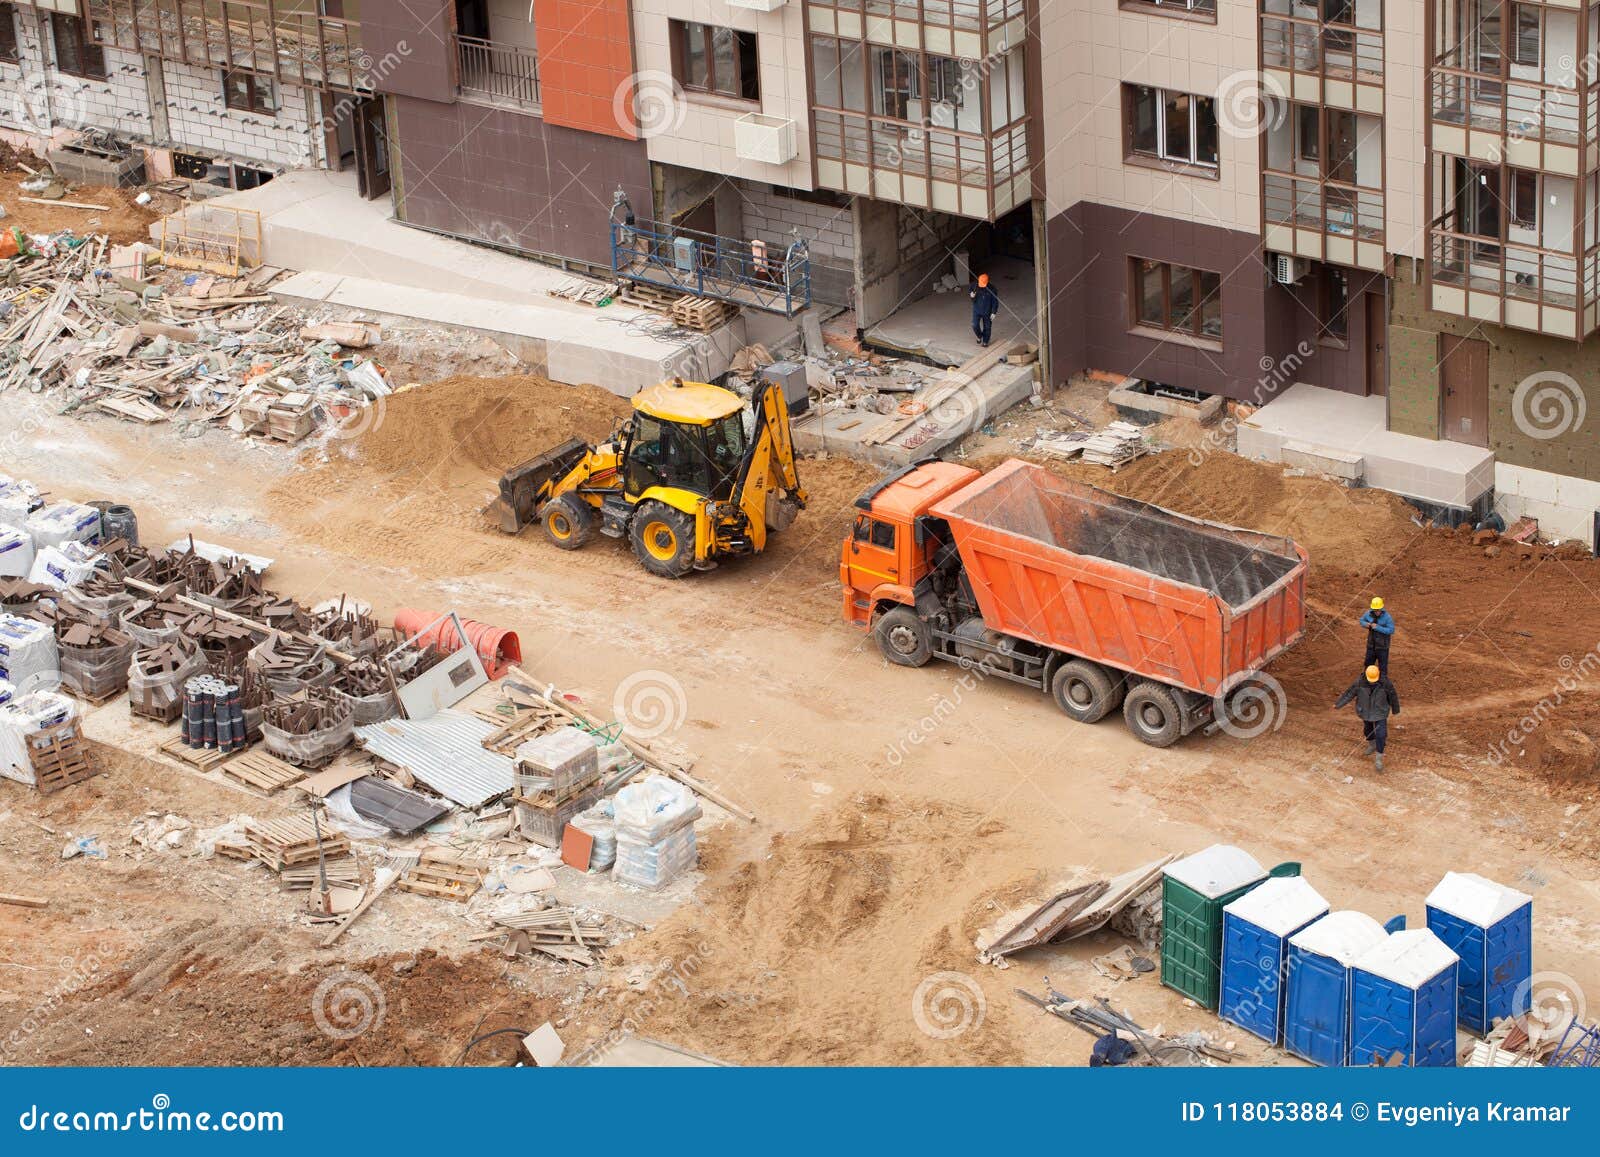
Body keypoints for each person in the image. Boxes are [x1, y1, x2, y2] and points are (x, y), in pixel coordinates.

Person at [1334, 664, 1401, 771]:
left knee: (1381, 734)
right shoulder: (1360, 682)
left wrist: (1395, 709)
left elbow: (1392, 695)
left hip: (1380, 712)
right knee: (1367, 730)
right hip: (1365, 712)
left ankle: (1379, 757)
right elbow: (1349, 693)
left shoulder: (1385, 683)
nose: (1372, 682)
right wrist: (1338, 704)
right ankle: (1372, 744)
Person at [1359, 596, 1395, 677]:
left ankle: (1383, 681)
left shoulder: (1387, 617)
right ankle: (1366, 678)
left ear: (1382, 608)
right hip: (1371, 644)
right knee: (1368, 663)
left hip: (1382, 646)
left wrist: (1378, 627)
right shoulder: (1368, 614)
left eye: (1378, 610)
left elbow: (1391, 630)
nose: (1376, 612)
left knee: (1382, 666)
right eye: (1374, 610)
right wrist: (1366, 624)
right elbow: (1361, 620)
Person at [970, 273, 999, 348]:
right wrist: (971, 295)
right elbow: (970, 291)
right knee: (974, 324)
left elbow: (995, 301)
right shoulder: (974, 285)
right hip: (977, 310)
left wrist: (993, 312)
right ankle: (979, 336)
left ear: (987, 282)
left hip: (987, 311)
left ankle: (985, 341)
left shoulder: (992, 289)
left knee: (987, 327)